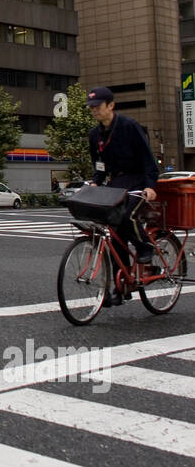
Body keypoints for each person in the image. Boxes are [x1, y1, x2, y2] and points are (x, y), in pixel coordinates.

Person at [85, 86, 159, 305]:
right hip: (116, 182)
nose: (95, 111)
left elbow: (148, 159)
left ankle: (146, 247)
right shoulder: (94, 135)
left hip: (137, 180)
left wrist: (150, 185)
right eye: (92, 108)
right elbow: (99, 166)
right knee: (114, 231)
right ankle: (121, 286)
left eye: (98, 106)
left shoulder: (129, 127)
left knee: (127, 216)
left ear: (111, 105)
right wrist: (95, 182)